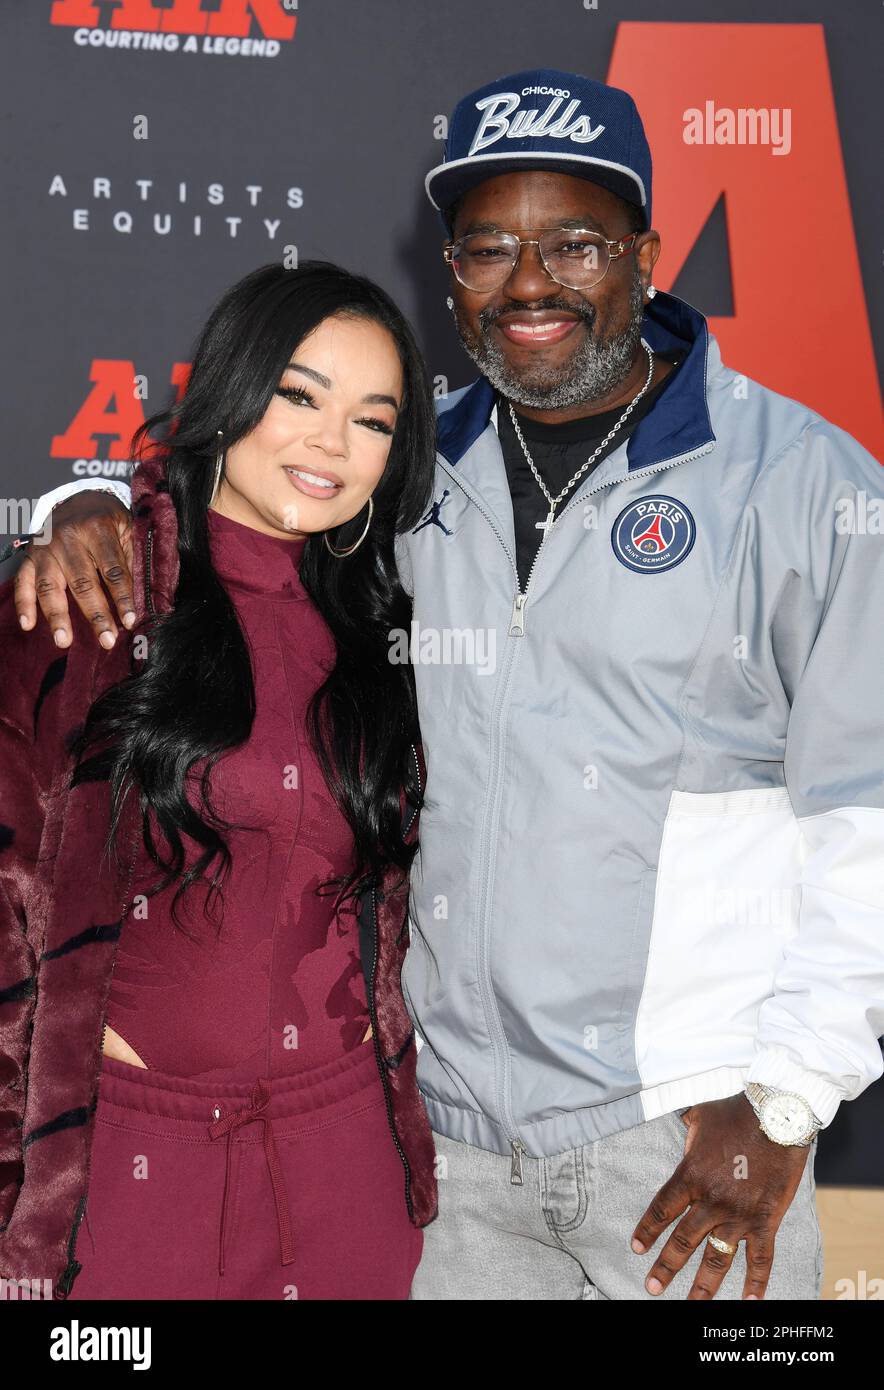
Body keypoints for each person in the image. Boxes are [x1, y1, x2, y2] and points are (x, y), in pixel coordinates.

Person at [14, 70, 884, 1302]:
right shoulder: (415, 468)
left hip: (689, 1144)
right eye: (488, 251)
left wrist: (788, 1103)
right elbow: (235, 523)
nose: (529, 284)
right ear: (451, 273)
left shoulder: (801, 486)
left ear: (643, 253)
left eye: (574, 244)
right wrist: (83, 511)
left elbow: (867, 818)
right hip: (444, 1144)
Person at [0, 260, 440, 1301]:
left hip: (345, 1164)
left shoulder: (394, 628)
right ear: (230, 388)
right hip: (126, 1171)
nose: (332, 443)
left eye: (373, 419)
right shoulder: (93, 605)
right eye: (298, 394)